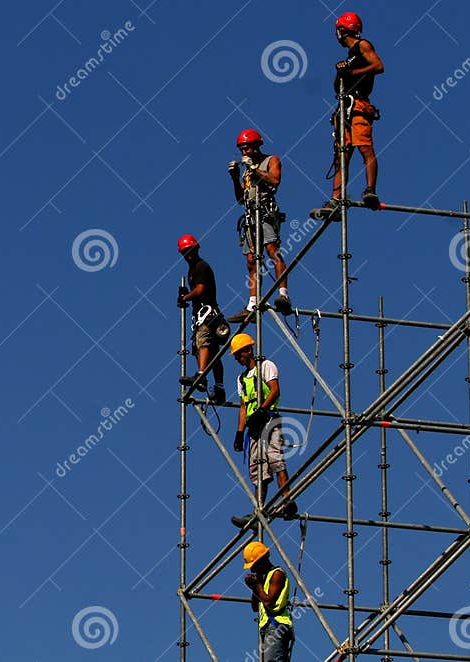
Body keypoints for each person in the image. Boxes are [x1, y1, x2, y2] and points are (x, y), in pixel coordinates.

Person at [312, 11, 385, 220]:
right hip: (346, 109)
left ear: (342, 30)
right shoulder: (350, 56)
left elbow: (378, 66)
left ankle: (370, 189)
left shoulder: (362, 46)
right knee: (341, 154)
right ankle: (336, 198)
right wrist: (341, 71)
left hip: (359, 105)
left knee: (364, 147)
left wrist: (352, 73)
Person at [229, 333, 297, 526]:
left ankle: (287, 501)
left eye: (238, 354)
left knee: (276, 460)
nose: (237, 358)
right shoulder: (241, 379)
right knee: (259, 470)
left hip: (269, 420)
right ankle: (258, 511)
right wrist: (239, 432)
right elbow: (243, 406)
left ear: (248, 350)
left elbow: (275, 390)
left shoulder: (266, 366)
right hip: (254, 428)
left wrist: (262, 409)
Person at [227, 129, 291, 322]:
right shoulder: (247, 169)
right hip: (250, 216)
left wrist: (254, 170)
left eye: (246, 148)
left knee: (273, 251)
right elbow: (241, 199)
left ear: (256, 145)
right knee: (251, 261)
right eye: (241, 149)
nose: (244, 152)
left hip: (265, 212)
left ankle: (283, 294)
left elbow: (275, 180)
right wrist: (235, 177)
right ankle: (253, 304)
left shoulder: (270, 160)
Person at [177, 234, 227, 404]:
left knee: (203, 342)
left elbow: (200, 289)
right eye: (184, 252)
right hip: (205, 314)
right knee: (212, 353)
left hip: (207, 314)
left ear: (196, 248)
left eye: (189, 250)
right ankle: (219, 388)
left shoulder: (200, 267)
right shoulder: (193, 269)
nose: (187, 254)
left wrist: (185, 298)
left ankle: (201, 375)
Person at [243, 541, 294, 661]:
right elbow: (255, 607)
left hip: (277, 626)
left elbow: (268, 602)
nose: (252, 568)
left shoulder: (277, 574)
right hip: (268, 627)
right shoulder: (264, 579)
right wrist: (254, 587)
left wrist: (257, 584)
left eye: (254, 564)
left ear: (262, 560)